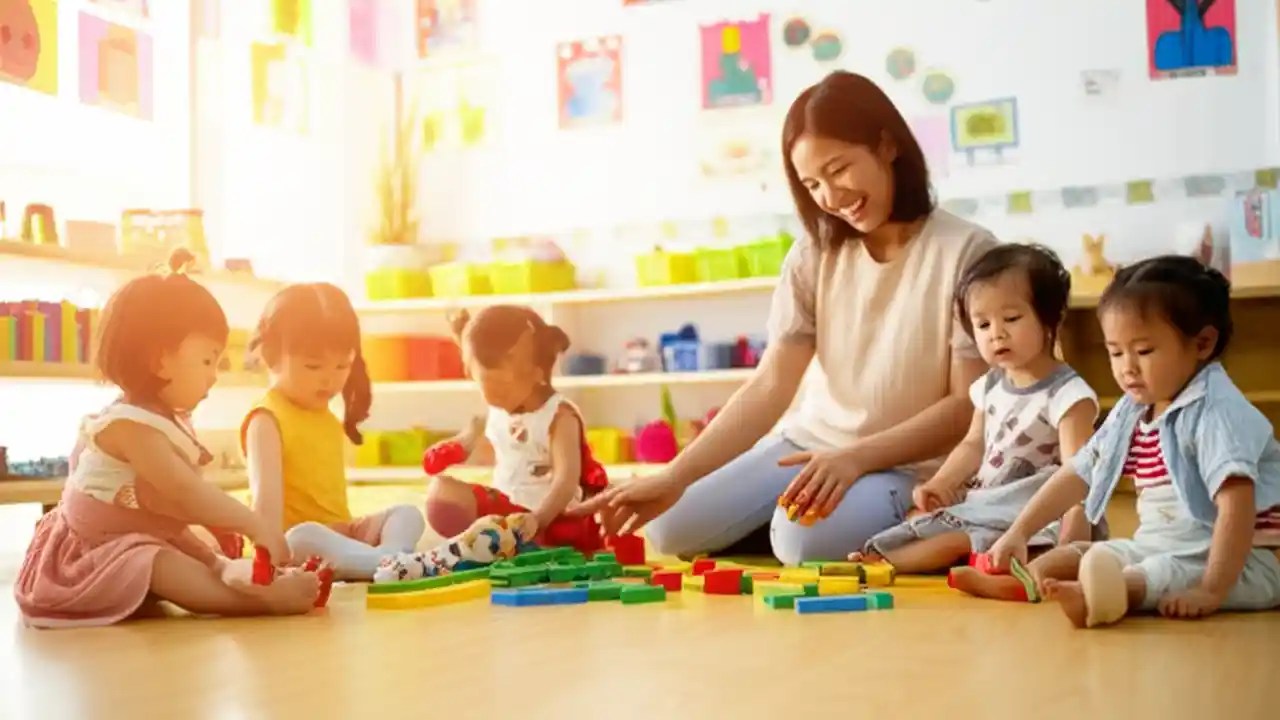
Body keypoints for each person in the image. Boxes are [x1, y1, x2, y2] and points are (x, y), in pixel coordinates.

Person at [575, 70, 999, 564]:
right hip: (810, 444)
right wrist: (675, 474)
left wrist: (857, 458)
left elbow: (966, 407)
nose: (831, 197)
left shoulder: (967, 251)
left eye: (840, 169)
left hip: (909, 465)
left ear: (886, 145)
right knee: (670, 526)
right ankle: (805, 527)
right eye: (812, 183)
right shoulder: (813, 254)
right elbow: (770, 384)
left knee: (802, 541)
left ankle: (892, 527)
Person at [962, 256, 1280, 627]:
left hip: (1242, 564)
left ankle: (1103, 597)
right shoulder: (1134, 408)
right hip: (1159, 547)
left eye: (1143, 351)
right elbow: (1078, 472)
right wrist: (1019, 532)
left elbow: (1236, 508)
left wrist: (1211, 589)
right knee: (1084, 553)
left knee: (1156, 573)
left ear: (1203, 344)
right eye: (1115, 352)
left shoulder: (1217, 413)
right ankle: (1026, 583)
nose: (1126, 367)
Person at [14, 250, 319, 627]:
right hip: (91, 552)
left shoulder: (163, 421)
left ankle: (243, 579)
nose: (214, 376)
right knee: (158, 563)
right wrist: (254, 524)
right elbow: (185, 491)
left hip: (137, 534)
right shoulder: (130, 427)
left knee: (195, 551)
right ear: (160, 361)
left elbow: (173, 508)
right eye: (208, 360)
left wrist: (216, 541)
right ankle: (255, 603)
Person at [848, 244, 1100, 573]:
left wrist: (1076, 520)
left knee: (957, 540)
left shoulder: (1068, 395)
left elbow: (1077, 470)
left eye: (1011, 318)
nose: (997, 333)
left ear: (1051, 318)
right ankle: (964, 561)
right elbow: (973, 444)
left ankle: (885, 565)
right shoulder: (990, 386)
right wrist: (941, 482)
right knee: (921, 520)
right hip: (986, 503)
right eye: (983, 325)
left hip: (1032, 512)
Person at [240, 283, 425, 580]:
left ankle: (382, 559)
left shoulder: (326, 417)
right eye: (313, 366)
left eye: (342, 365)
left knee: (408, 514)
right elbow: (265, 507)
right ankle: (387, 563)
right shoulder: (267, 418)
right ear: (270, 355)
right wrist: (269, 558)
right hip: (297, 544)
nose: (329, 379)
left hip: (343, 535)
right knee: (304, 536)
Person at [420, 306, 607, 553]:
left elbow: (566, 480)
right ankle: (495, 541)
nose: (494, 394)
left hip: (551, 520)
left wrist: (538, 519)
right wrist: (463, 444)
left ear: (537, 372)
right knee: (442, 493)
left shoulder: (559, 417)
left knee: (527, 526)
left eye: (502, 383)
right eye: (485, 383)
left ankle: (517, 544)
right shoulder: (499, 412)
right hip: (507, 515)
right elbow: (492, 455)